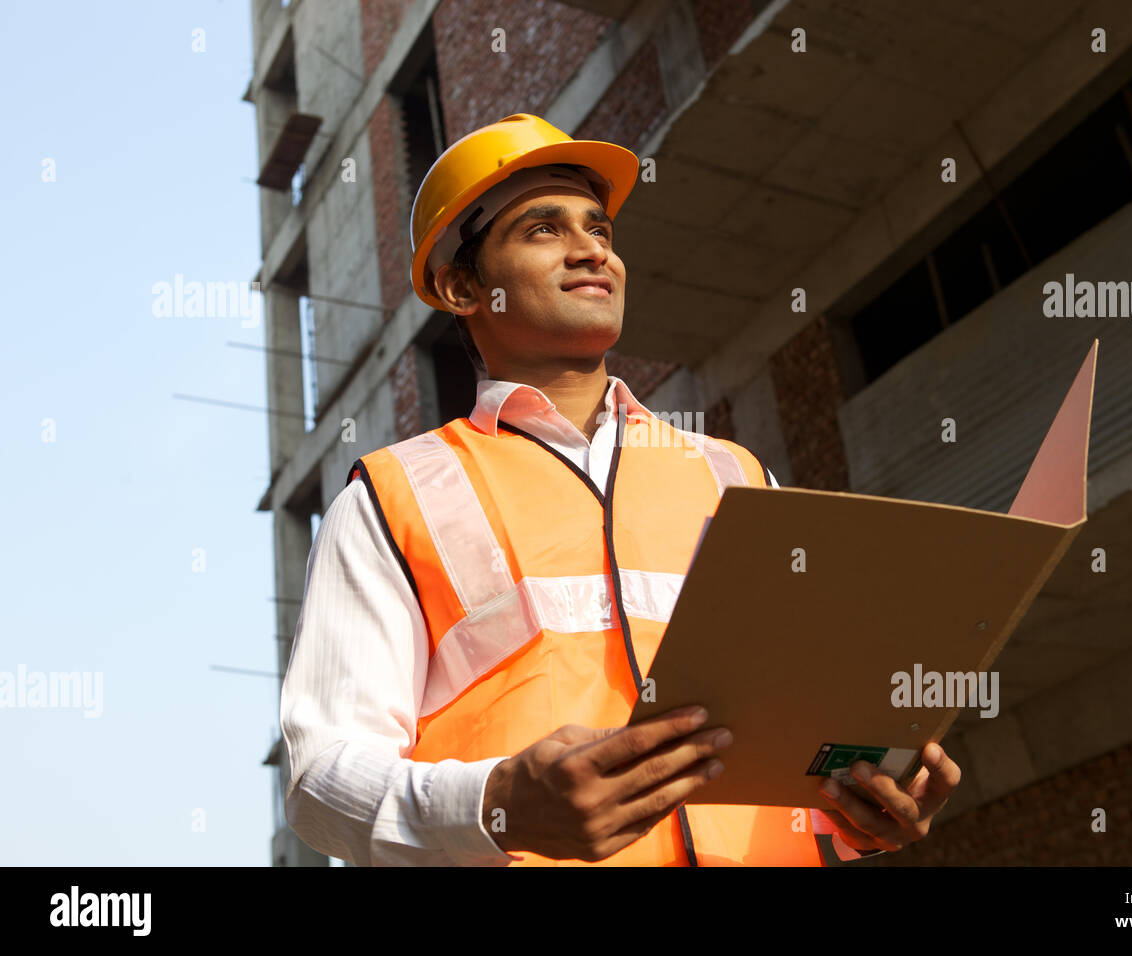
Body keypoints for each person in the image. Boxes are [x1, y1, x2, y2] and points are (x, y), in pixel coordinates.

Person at [280, 113, 961, 866]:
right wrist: (497, 805)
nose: (591, 251)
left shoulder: (735, 473)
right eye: (543, 229)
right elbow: (321, 779)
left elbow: (796, 741)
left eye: (599, 229)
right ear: (460, 285)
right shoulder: (390, 497)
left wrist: (862, 806)